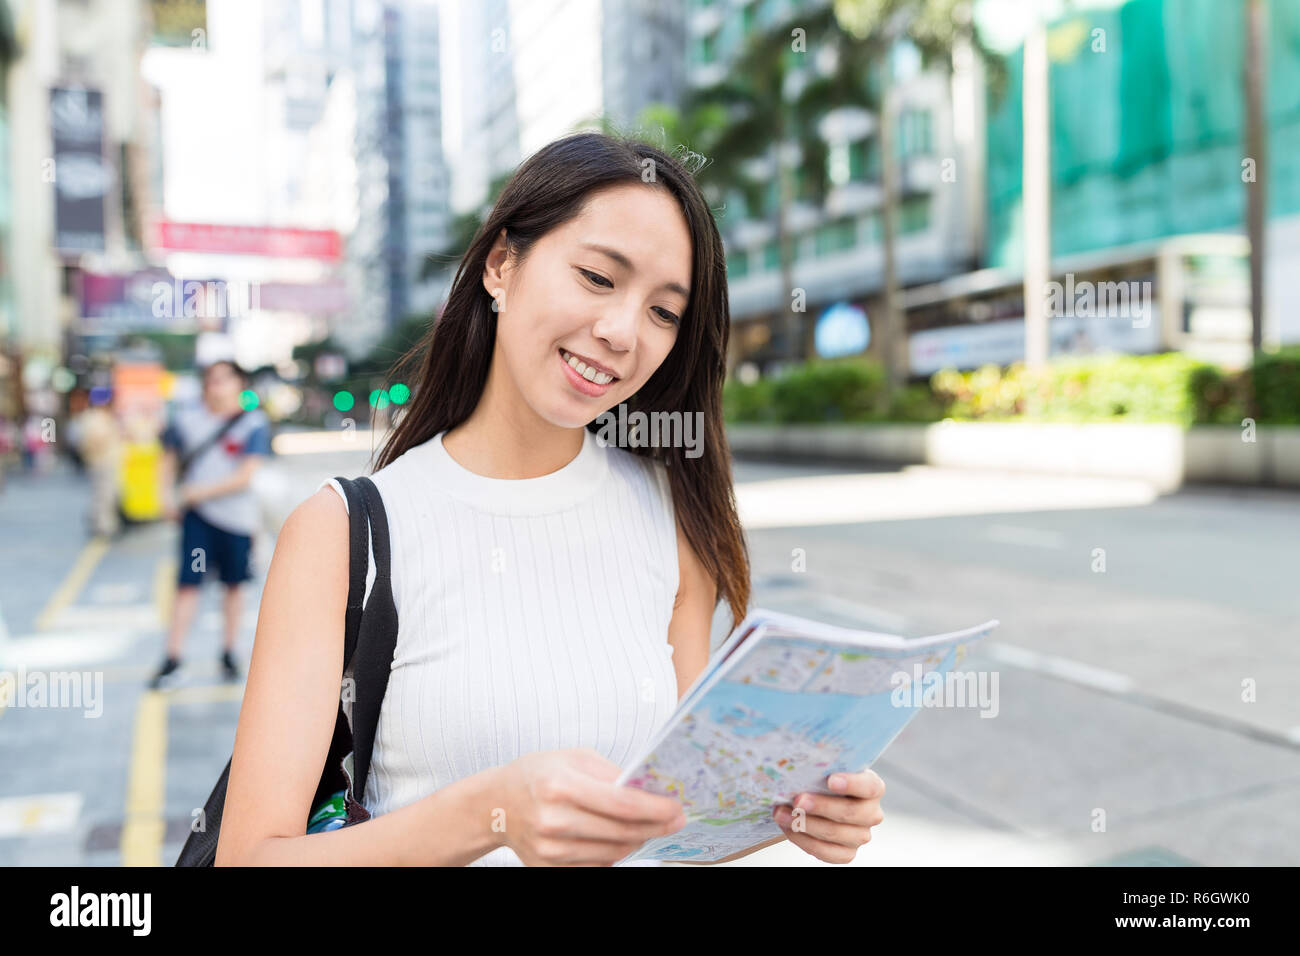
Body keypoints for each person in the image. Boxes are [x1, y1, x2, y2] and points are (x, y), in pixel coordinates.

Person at [215, 132, 885, 867]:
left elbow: (676, 822)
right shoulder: (342, 531)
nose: (623, 331)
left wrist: (792, 810)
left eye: (665, 313)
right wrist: (492, 811)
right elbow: (251, 858)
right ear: (501, 265)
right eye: (599, 277)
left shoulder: (671, 514)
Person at [150, 360, 272, 688]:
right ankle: (173, 658)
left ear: (240, 384)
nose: (216, 385)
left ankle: (229, 654)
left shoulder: (253, 423)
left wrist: (196, 492)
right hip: (198, 520)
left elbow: (247, 475)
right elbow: (168, 457)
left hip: (237, 521)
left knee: (234, 585)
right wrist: (164, 496)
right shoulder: (188, 419)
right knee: (188, 583)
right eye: (211, 379)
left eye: (224, 379)